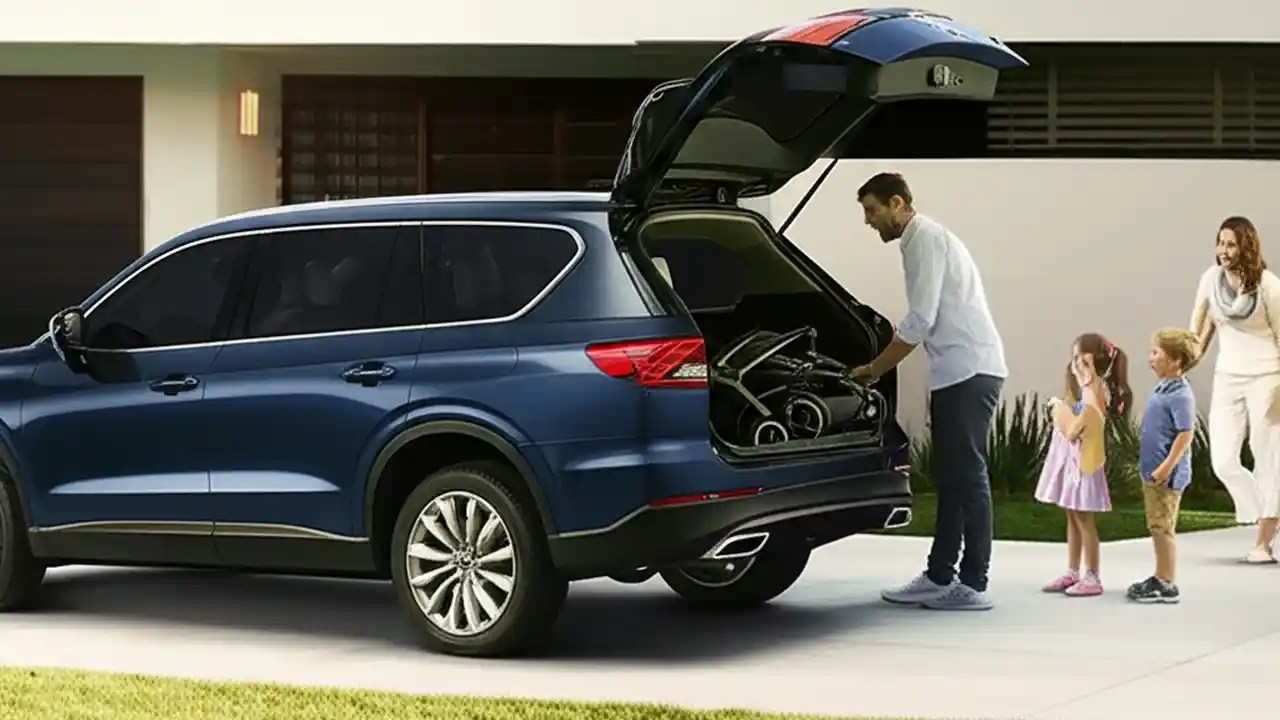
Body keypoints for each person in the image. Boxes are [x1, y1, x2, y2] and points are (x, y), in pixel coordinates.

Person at [849, 172, 1007, 611]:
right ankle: (940, 574)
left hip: (968, 370)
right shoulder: (922, 239)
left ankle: (973, 583)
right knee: (953, 477)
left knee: (968, 476)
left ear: (897, 203)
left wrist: (874, 368)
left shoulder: (922, 239)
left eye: (872, 210)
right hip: (957, 372)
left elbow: (920, 318)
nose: (868, 221)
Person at [1189, 216, 1280, 563]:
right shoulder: (1210, 281)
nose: (1224, 251)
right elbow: (1197, 333)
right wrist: (1179, 365)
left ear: (1246, 247)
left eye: (1231, 244)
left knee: (1266, 455)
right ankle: (1268, 510)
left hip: (1268, 377)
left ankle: (1263, 541)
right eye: (1221, 243)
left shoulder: (1268, 285)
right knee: (1223, 460)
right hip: (1227, 376)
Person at [1035, 333, 1131, 597]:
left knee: (1084, 518)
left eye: (1080, 358)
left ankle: (1092, 575)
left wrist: (1057, 409)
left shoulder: (1094, 394)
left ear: (1091, 361)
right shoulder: (1087, 392)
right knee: (1072, 514)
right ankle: (1073, 570)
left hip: (1083, 467)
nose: (1074, 363)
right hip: (1073, 465)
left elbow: (1074, 430)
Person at [1128, 328, 1201, 603]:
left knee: (1163, 527)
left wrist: (1167, 467)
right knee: (1156, 525)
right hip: (1154, 471)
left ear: (1175, 361)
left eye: (1156, 353)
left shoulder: (1181, 395)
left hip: (1166, 476)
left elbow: (1185, 434)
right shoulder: (1163, 387)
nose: (1151, 358)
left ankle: (1167, 582)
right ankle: (1160, 575)